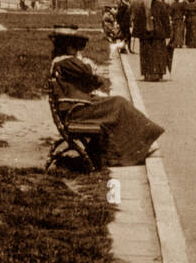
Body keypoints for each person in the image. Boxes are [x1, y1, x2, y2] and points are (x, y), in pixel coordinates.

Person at [50, 27, 164, 165]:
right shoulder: (66, 62)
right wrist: (86, 64)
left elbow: (92, 80)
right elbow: (90, 74)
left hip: (76, 107)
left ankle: (141, 144)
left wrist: (90, 72)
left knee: (118, 103)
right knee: (119, 104)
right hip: (77, 111)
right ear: (66, 46)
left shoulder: (63, 62)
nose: (76, 49)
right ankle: (141, 145)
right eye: (73, 45)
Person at [131, 0, 171, 81]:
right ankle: (157, 73)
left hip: (146, 34)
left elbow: (137, 20)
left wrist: (137, 33)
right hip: (158, 34)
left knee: (147, 53)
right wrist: (167, 33)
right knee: (157, 53)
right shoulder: (160, 5)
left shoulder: (142, 5)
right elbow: (165, 20)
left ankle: (147, 73)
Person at [167, 0, 186, 74]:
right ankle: (180, 43)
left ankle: (176, 43)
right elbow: (185, 11)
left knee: (176, 32)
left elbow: (170, 13)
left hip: (175, 19)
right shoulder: (182, 5)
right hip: (181, 19)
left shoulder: (172, 5)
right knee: (181, 31)